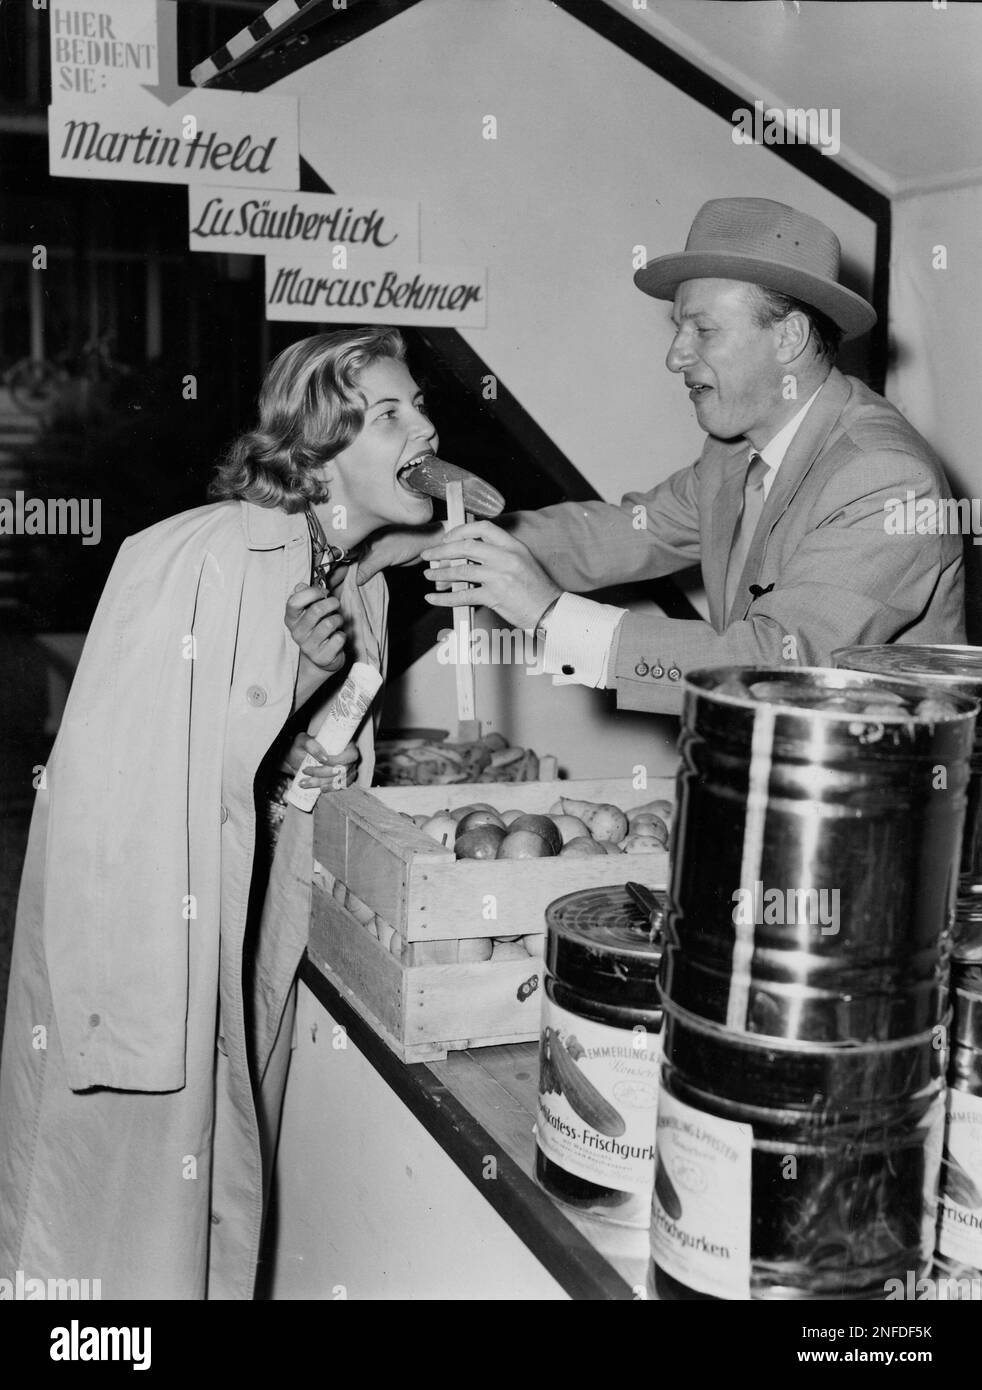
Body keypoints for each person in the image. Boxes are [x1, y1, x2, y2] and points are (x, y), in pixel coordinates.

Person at [0, 326, 437, 1299]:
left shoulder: (357, 585)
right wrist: (294, 684)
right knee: (127, 1235)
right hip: (158, 949)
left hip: (248, 932)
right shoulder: (189, 557)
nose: (427, 423)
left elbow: (296, 783)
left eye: (421, 403)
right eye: (390, 412)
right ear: (318, 447)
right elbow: (120, 795)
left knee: (216, 1211)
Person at [360, 198, 965, 712]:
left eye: (703, 330)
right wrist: (437, 542)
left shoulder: (886, 479)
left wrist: (549, 615)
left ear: (789, 338)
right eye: (679, 328)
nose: (675, 357)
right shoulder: (735, 452)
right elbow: (630, 532)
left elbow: (780, 666)